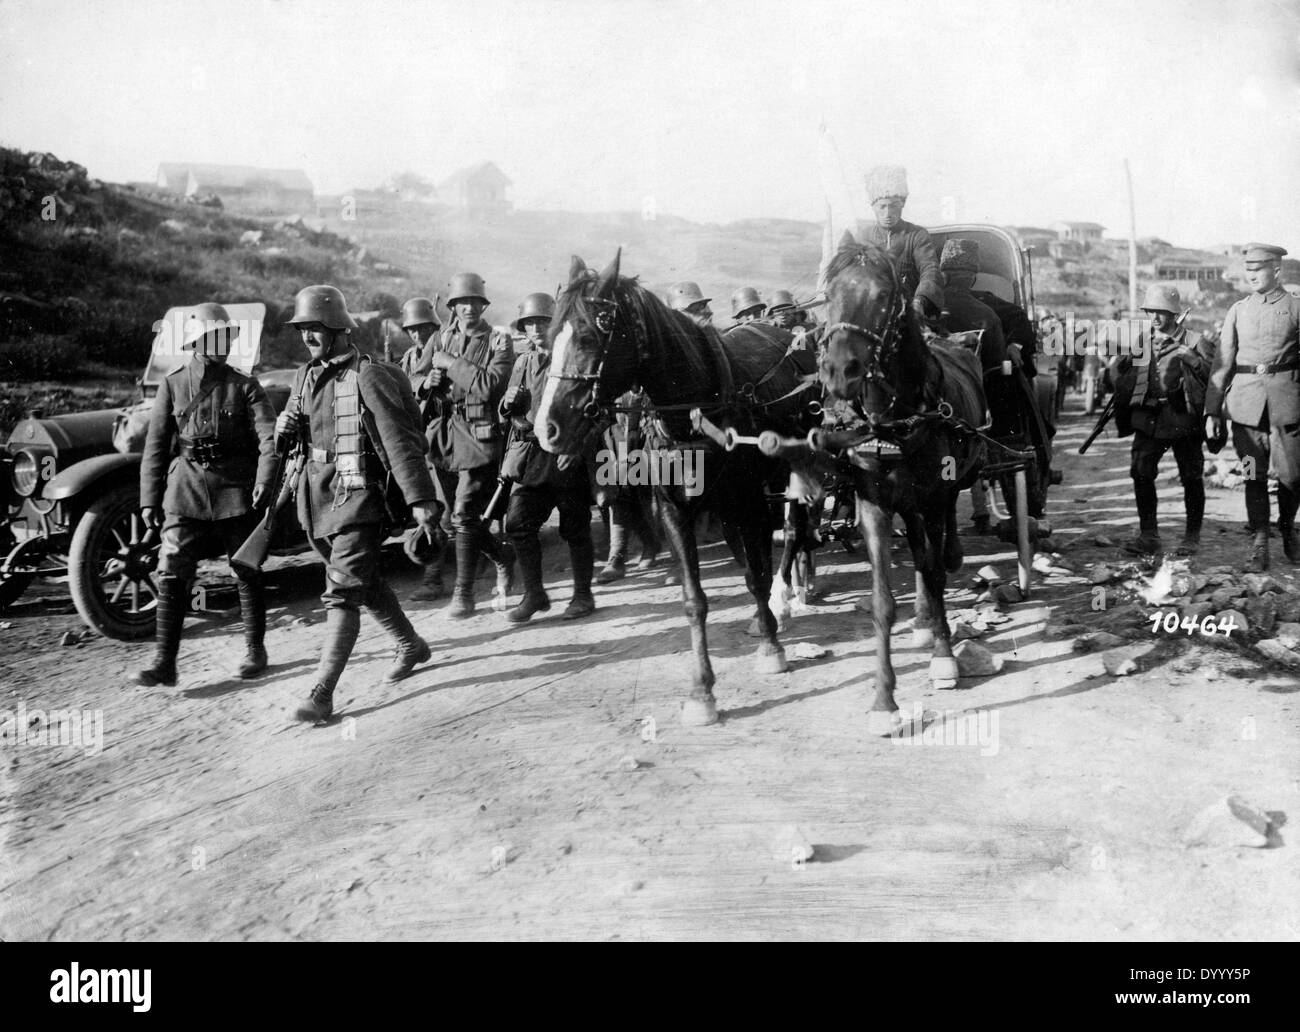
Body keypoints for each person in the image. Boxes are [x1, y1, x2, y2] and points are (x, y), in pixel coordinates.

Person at [275, 284, 442, 723]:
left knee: (342, 590)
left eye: (316, 328)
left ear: (338, 328)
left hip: (359, 497)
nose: (309, 337)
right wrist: (284, 429)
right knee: (361, 582)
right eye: (303, 329)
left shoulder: (369, 374)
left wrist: (422, 499)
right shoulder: (305, 375)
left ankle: (322, 692)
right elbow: (294, 440)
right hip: (317, 498)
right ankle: (411, 644)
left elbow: (401, 441)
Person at [136, 303, 277, 686]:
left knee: (246, 567)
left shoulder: (246, 385)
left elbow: (269, 438)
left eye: (228, 336)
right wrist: (150, 499)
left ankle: (254, 650)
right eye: (216, 337)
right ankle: (165, 662)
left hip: (235, 489)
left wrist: (264, 479)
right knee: (172, 569)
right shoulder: (173, 384)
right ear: (198, 342)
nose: (225, 344)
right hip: (185, 491)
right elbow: (155, 445)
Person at [419, 272, 516, 616]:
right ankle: (503, 556)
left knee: (464, 513)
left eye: (475, 302)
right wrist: (427, 382)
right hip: (442, 436)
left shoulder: (498, 341)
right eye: (462, 303)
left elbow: (490, 385)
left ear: (483, 305)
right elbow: (416, 377)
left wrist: (449, 363)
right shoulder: (440, 337)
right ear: (454, 307)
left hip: (478, 435)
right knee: (458, 519)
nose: (468, 308)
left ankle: (464, 593)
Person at [498, 292, 598, 622]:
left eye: (543, 322)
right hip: (532, 457)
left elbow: (598, 411)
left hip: (567, 455)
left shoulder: (572, 356)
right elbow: (508, 413)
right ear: (523, 330)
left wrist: (580, 447)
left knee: (576, 528)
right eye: (529, 324)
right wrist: (508, 403)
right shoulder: (523, 362)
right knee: (517, 523)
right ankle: (534, 594)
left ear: (555, 324)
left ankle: (583, 596)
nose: (536, 329)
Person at [1205, 243, 1300, 571]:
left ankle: (1287, 527)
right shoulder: (1238, 310)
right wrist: (1212, 410)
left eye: (1258, 270)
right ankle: (1260, 540)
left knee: (1293, 476)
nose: (1252, 276)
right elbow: (1222, 364)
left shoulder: (1295, 307)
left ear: (1276, 270)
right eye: (1248, 270)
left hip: (1288, 405)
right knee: (1251, 473)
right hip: (1246, 410)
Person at [1118, 285, 1213, 556]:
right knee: (1141, 472)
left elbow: (1215, 377)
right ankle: (1149, 535)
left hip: (1184, 420)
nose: (1156, 318)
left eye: (1162, 312)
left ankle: (1191, 537)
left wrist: (1193, 360)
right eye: (1151, 312)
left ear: (1175, 314)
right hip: (1150, 418)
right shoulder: (1143, 341)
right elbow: (1124, 376)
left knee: (1191, 477)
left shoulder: (1195, 342)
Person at [397, 295, 452, 601]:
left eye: (422, 328)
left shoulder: (444, 349)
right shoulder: (407, 357)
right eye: (412, 329)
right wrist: (419, 384)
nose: (417, 334)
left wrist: (426, 383)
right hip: (419, 442)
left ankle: (434, 579)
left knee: (444, 512)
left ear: (434, 326)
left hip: (445, 438)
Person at [855, 165, 943, 320]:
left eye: (894, 206)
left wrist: (920, 302)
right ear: (873, 206)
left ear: (903, 203)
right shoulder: (863, 237)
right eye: (882, 206)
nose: (888, 213)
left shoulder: (917, 235)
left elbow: (930, 270)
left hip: (909, 313)